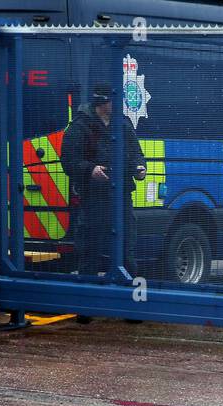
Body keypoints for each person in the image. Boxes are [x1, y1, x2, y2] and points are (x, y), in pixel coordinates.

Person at [63, 83, 148, 278]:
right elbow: (69, 161)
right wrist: (90, 169)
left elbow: (136, 153)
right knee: (90, 249)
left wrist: (140, 168)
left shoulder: (123, 125)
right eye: (114, 100)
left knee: (126, 248)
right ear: (102, 102)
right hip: (94, 196)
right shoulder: (80, 126)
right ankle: (88, 298)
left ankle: (126, 293)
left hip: (121, 196)